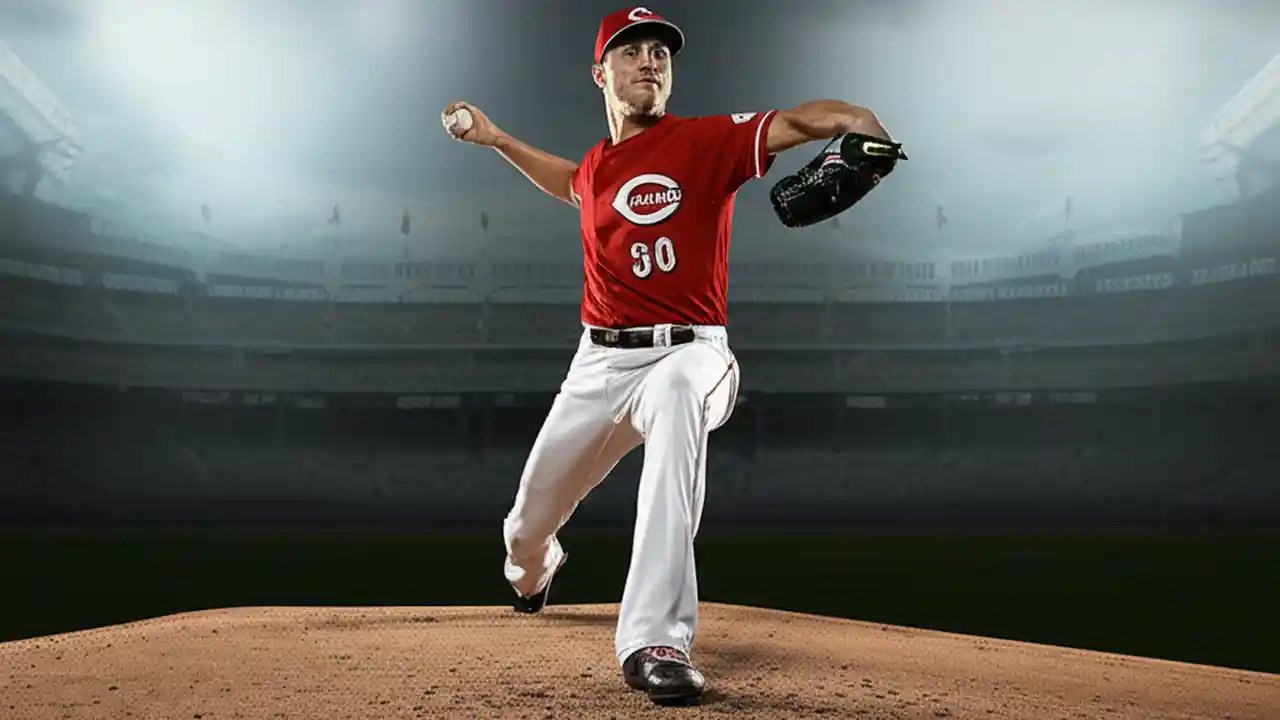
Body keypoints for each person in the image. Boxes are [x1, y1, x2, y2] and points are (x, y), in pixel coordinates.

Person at [442, 6, 896, 706]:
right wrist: (498, 137)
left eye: (660, 51)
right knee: (524, 528)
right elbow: (569, 181)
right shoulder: (598, 168)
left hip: (692, 354)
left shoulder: (707, 142)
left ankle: (656, 639)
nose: (649, 60)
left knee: (680, 394)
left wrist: (861, 117)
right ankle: (536, 572)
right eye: (631, 52)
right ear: (601, 73)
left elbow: (803, 121)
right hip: (599, 367)